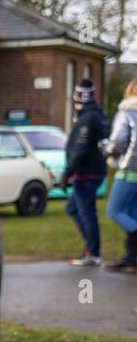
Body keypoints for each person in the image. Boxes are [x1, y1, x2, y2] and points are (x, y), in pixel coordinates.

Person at [61, 79, 108, 267]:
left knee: (87, 213)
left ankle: (93, 253)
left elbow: (81, 148)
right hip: (91, 172)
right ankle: (91, 248)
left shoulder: (88, 119)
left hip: (86, 173)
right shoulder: (94, 115)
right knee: (72, 208)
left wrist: (67, 174)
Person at [102, 77, 137, 273]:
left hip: (128, 171)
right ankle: (131, 260)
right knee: (132, 214)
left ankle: (131, 258)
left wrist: (104, 149)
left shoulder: (126, 113)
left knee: (114, 211)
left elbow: (117, 143)